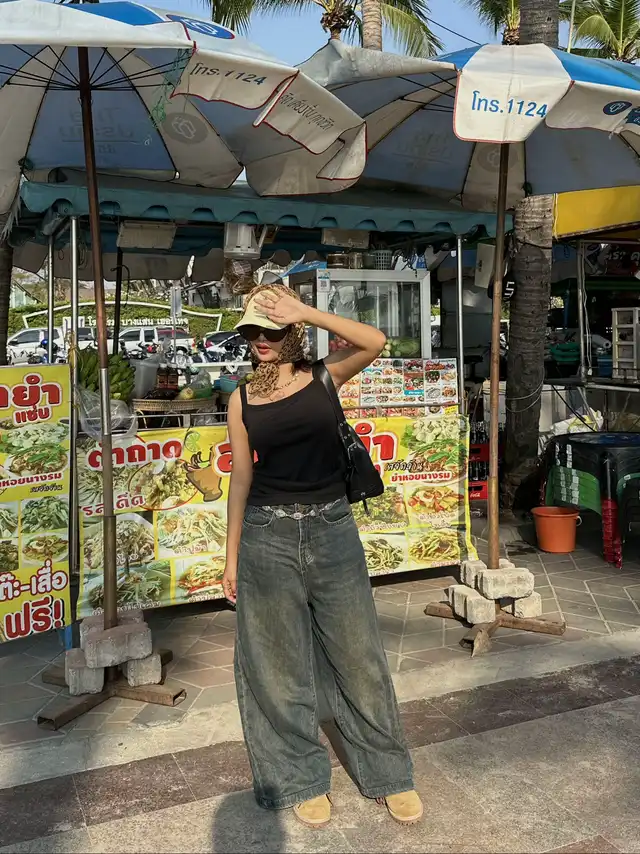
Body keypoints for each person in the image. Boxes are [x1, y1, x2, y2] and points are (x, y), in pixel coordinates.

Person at [223, 283, 422, 829]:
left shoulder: (323, 376)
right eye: (252, 331)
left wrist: (305, 310)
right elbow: (241, 478)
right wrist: (231, 557)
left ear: (291, 331)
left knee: (359, 656)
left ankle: (388, 773)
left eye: (271, 329)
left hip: (332, 529)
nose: (261, 339)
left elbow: (375, 340)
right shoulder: (241, 399)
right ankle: (297, 778)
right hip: (267, 534)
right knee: (276, 665)